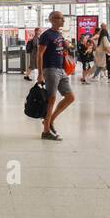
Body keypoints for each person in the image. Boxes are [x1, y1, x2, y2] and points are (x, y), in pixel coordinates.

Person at [35, 10, 74, 140]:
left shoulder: (58, 34)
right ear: (52, 20)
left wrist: (65, 46)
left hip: (61, 70)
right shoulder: (46, 35)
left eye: (63, 18)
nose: (63, 20)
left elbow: (60, 50)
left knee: (70, 97)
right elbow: (39, 54)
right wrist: (40, 74)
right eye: (60, 18)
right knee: (51, 99)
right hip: (50, 69)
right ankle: (46, 131)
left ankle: (50, 120)